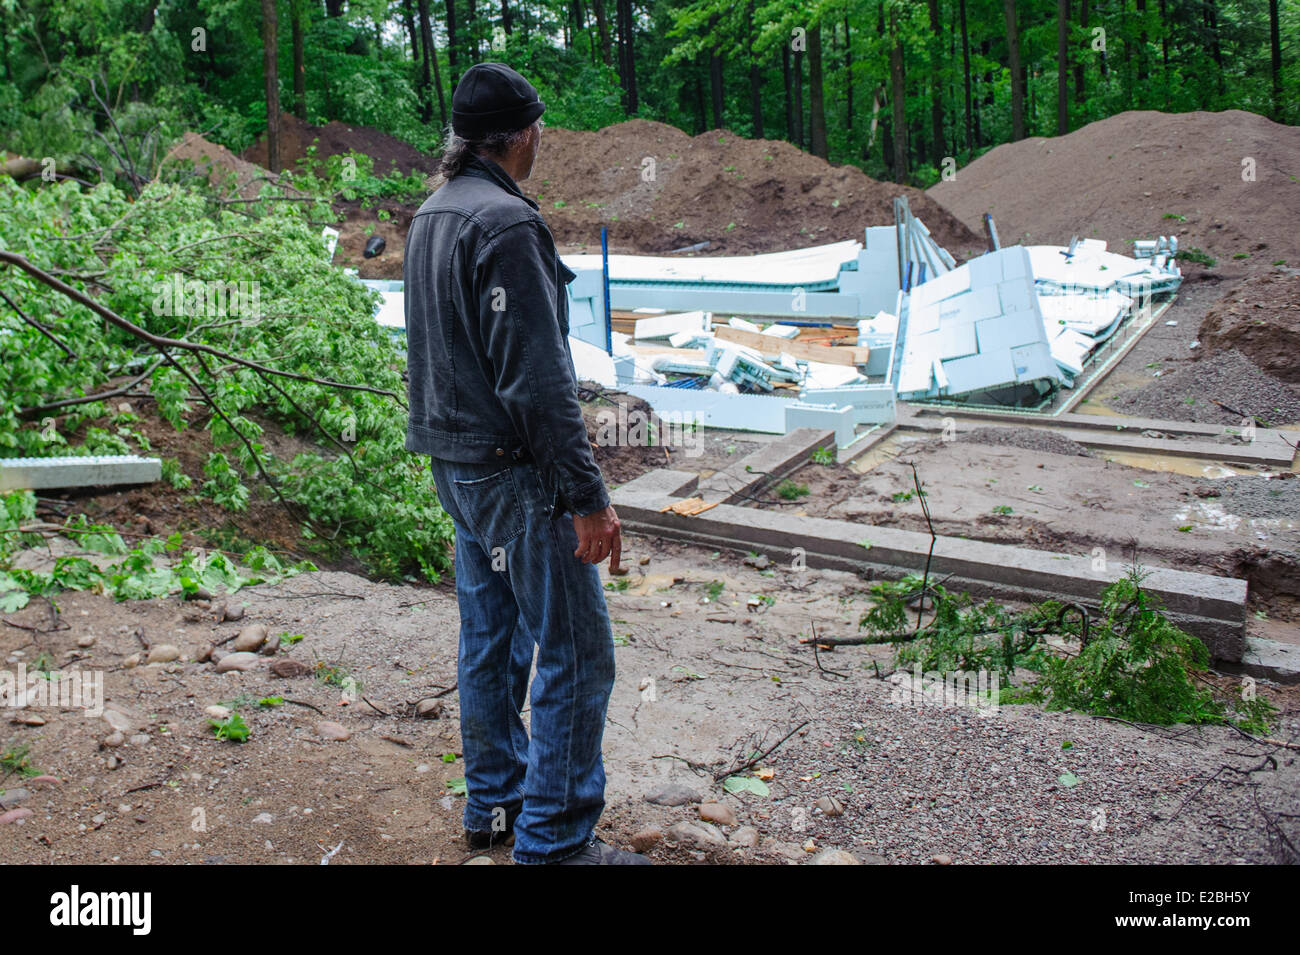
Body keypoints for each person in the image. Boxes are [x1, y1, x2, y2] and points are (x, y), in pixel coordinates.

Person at [403, 62, 650, 865]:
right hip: (513, 473)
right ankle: (555, 842)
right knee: (577, 653)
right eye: (541, 129)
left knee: (491, 637)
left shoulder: (433, 213)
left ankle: (496, 804)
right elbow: (539, 382)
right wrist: (587, 497)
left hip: (456, 465)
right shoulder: (506, 226)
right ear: (524, 135)